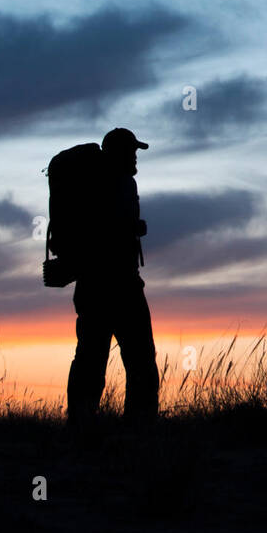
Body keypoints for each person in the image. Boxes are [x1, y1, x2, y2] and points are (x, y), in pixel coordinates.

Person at [66, 128, 159, 429]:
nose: (135, 158)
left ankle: (82, 422)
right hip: (118, 286)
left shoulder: (109, 184)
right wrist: (131, 228)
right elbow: (107, 231)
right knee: (139, 359)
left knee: (91, 358)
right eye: (131, 152)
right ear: (119, 153)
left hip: (95, 287)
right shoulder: (114, 185)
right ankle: (139, 424)